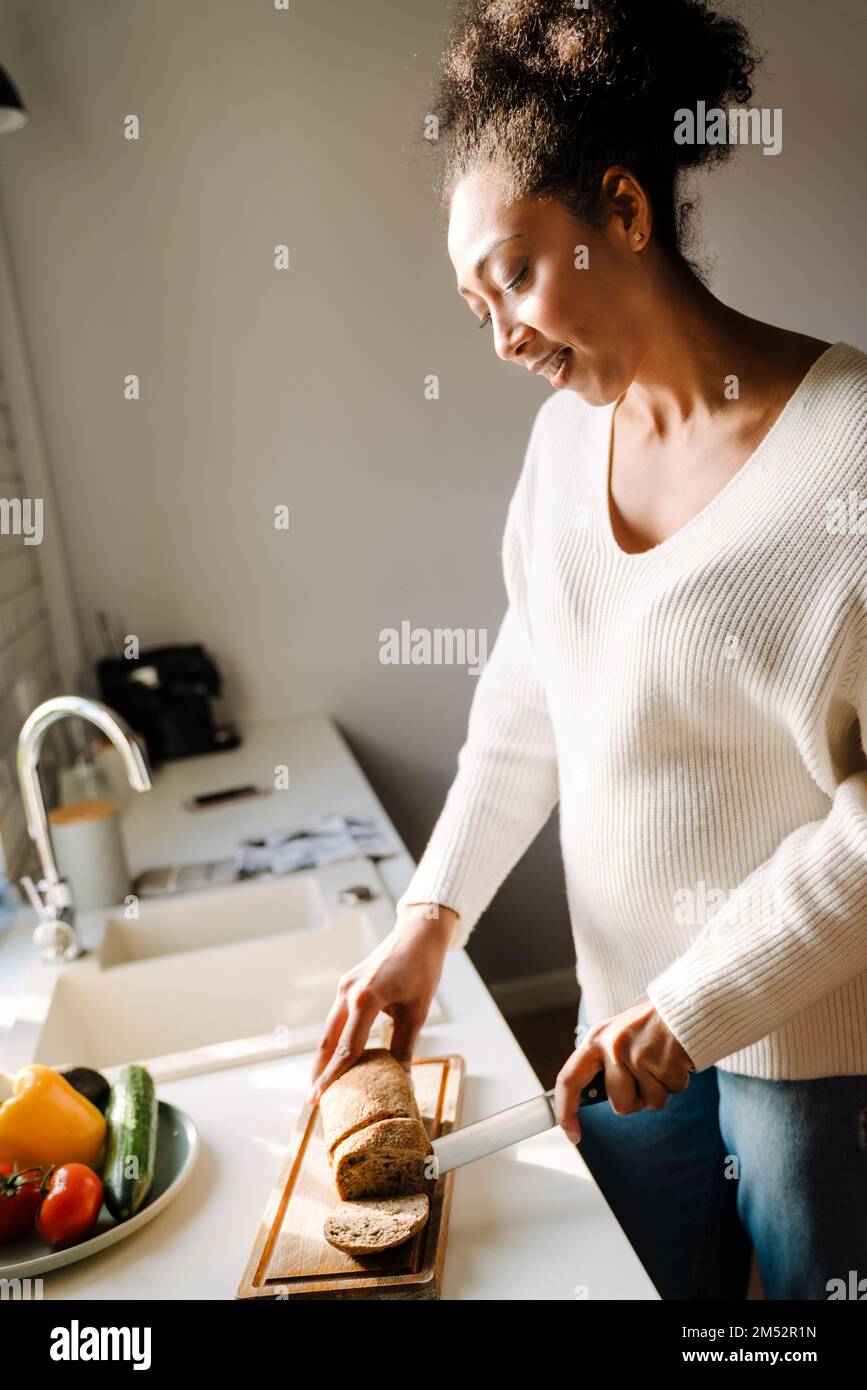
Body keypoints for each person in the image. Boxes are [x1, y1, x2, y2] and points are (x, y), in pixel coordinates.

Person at [308, 0, 867, 1300]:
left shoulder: (850, 452)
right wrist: (429, 921)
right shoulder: (565, 444)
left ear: (623, 208)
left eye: (511, 273)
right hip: (619, 1036)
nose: (498, 333)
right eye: (471, 300)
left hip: (807, 1044)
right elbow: (528, 693)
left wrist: (701, 999)